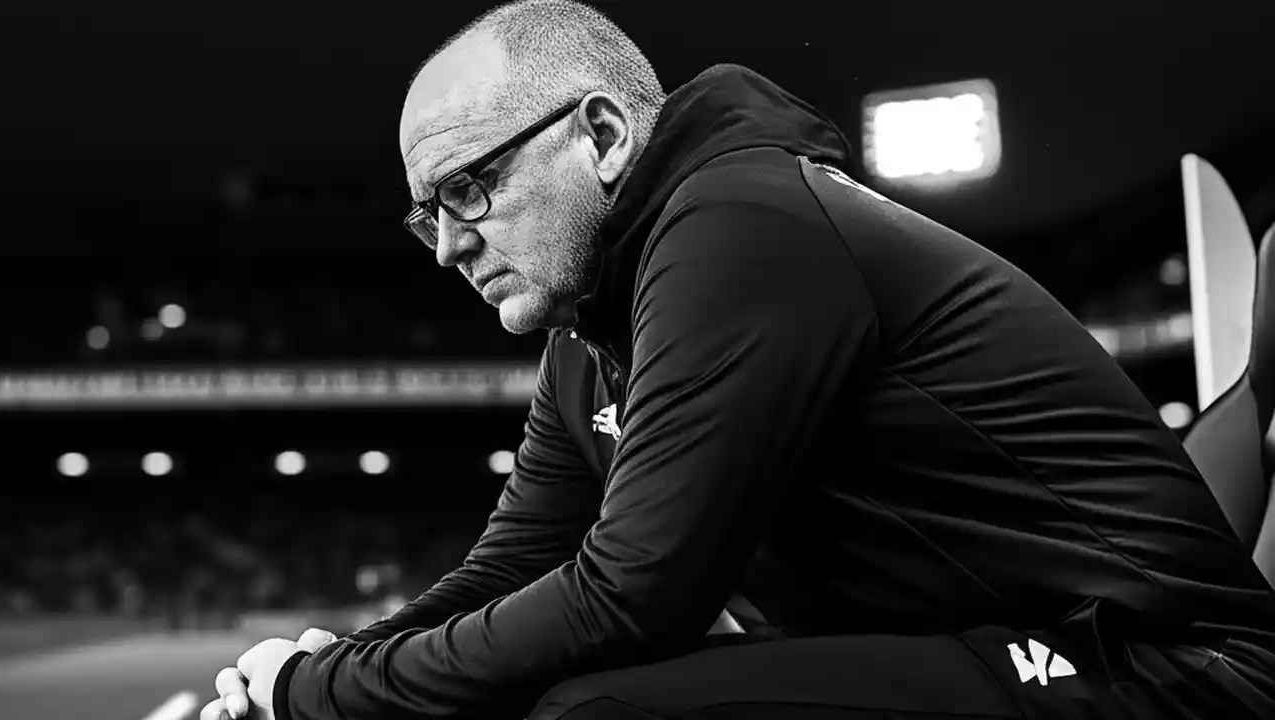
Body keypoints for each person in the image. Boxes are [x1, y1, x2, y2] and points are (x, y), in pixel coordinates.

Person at [202, 1, 1275, 718]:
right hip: (1008, 646)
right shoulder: (591, 333)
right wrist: (328, 664)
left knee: (595, 710)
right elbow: (511, 566)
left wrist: (320, 692)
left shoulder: (739, 228)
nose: (446, 245)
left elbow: (629, 599)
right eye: (426, 214)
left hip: (1163, 669)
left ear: (603, 136)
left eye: (467, 190)